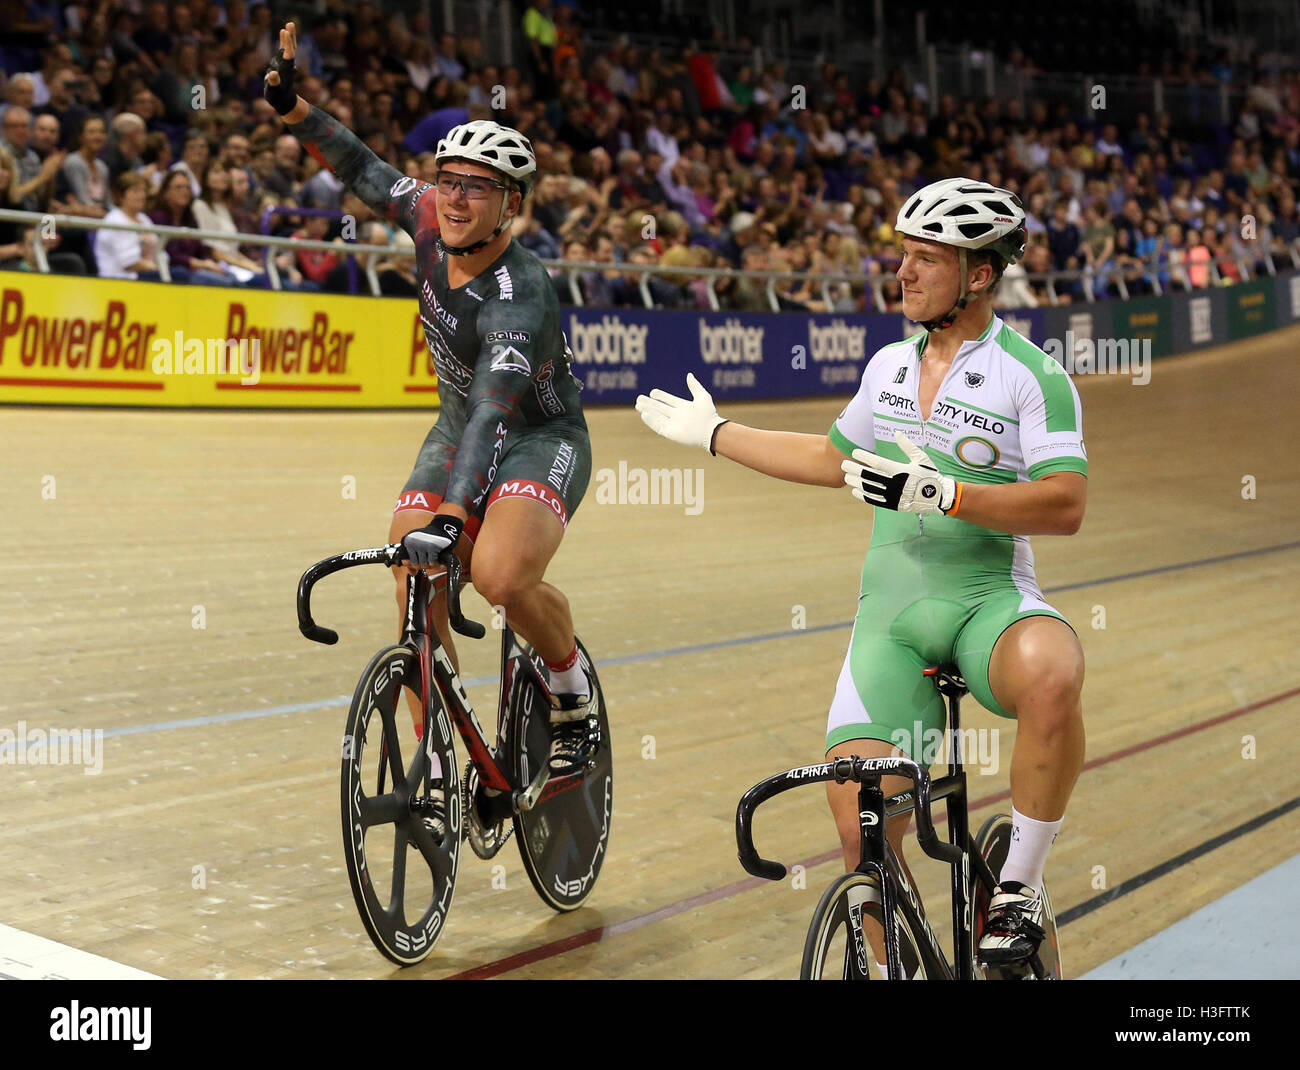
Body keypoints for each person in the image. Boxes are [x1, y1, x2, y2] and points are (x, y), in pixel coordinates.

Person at [636, 178, 1087, 974]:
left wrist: (945, 491)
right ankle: (890, 966)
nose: (903, 273)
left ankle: (1018, 886)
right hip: (894, 619)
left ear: (979, 274)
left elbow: (1064, 504)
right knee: (861, 828)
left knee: (1054, 671)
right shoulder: (886, 367)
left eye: (924, 259)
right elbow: (830, 456)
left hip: (989, 604)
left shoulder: (1032, 376)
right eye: (902, 257)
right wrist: (717, 433)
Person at [264, 25, 600, 778]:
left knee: (500, 578)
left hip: (539, 436)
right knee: (414, 574)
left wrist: (454, 520)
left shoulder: (522, 294)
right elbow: (359, 164)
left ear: (509, 205)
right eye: (449, 179)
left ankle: (570, 683)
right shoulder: (424, 209)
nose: (455, 198)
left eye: (477, 187)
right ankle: (440, 759)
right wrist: (293, 108)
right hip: (459, 425)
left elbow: (493, 408)